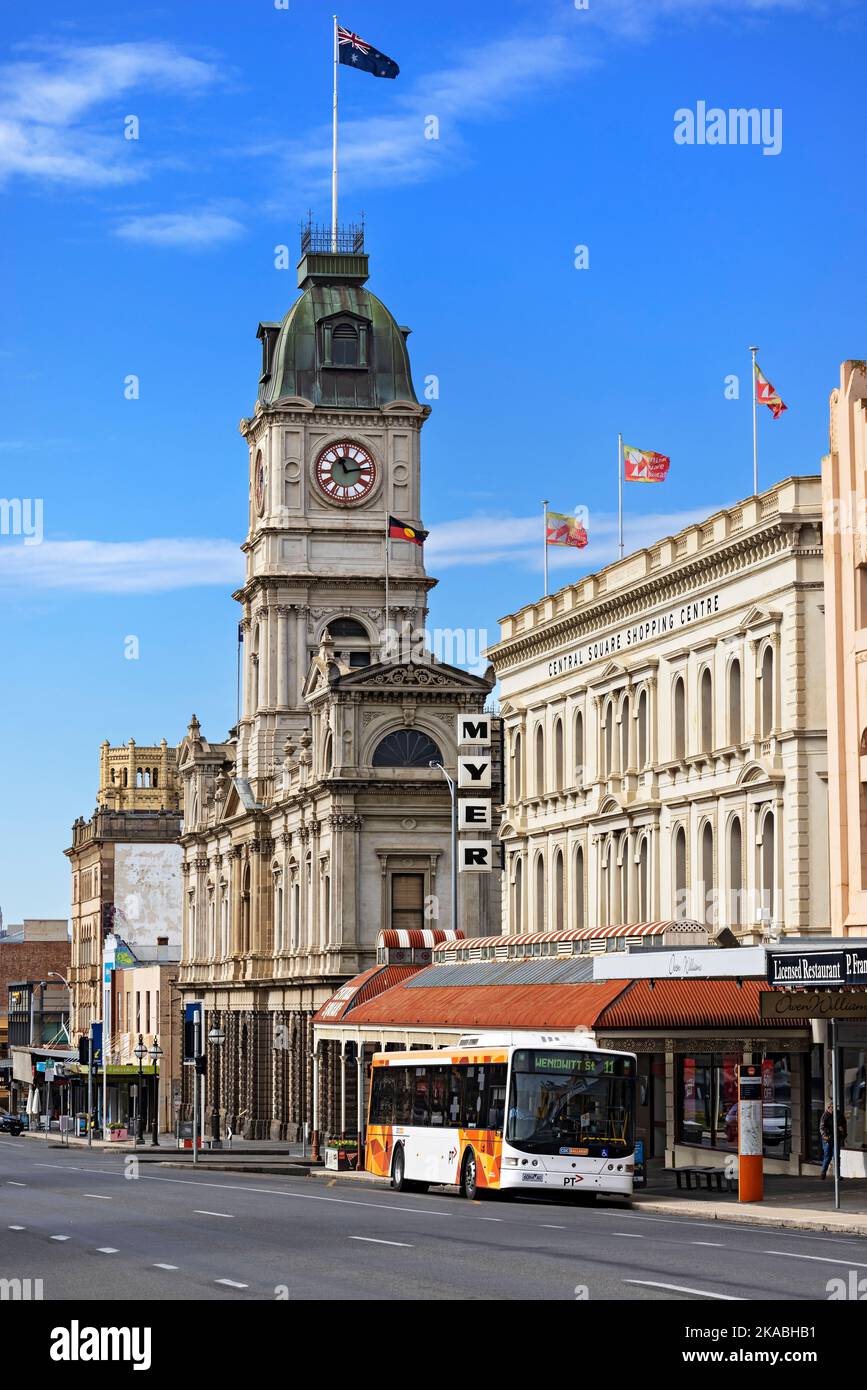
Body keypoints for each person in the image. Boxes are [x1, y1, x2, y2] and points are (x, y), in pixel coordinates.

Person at [819, 1101, 847, 1179]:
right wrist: (825, 1136)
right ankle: (823, 1172)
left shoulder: (839, 1114)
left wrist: (843, 1132)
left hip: (836, 1138)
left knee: (837, 1157)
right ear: (828, 1108)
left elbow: (844, 1123)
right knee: (827, 1156)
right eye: (831, 1108)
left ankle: (837, 1175)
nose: (832, 1109)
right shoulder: (825, 1115)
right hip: (827, 1139)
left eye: (834, 1108)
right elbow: (822, 1127)